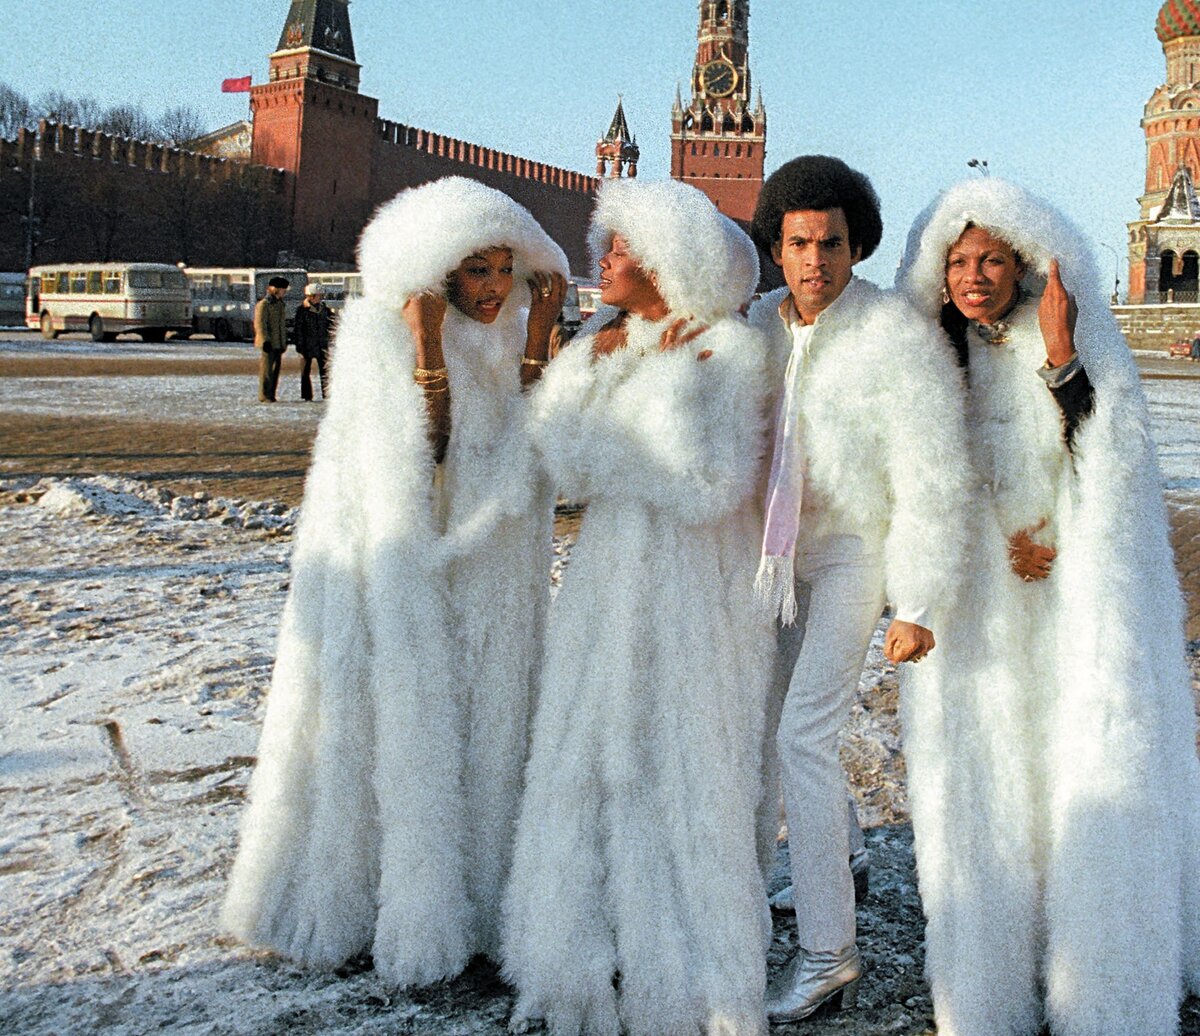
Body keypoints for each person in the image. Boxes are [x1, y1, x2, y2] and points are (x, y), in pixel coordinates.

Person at [222, 177, 569, 988]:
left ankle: (476, 905)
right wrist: (425, 351)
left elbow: (537, 457)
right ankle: (368, 900)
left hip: (484, 582)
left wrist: (539, 336)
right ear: (439, 271)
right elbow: (417, 465)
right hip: (401, 585)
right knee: (387, 735)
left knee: (480, 733)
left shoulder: (512, 331)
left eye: (501, 271)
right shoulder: (382, 338)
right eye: (475, 271)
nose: (492, 289)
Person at [896, 177, 1200, 1036]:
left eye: (992, 258)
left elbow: (1111, 463)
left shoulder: (1060, 339)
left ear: (1023, 265)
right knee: (994, 778)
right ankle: (999, 966)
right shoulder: (936, 352)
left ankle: (1095, 971)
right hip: (982, 606)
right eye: (959, 260)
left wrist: (1061, 355)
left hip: (1061, 598)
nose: (974, 274)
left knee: (1065, 768)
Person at [502, 178, 776, 1036]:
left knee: (681, 759)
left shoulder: (724, 352)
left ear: (667, 259)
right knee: (586, 754)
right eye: (607, 246)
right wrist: (605, 378)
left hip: (690, 590)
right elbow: (562, 461)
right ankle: (579, 944)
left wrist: (656, 401)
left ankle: (683, 958)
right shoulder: (600, 344)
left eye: (620, 247)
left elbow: (709, 487)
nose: (605, 261)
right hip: (605, 579)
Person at [744, 155, 972, 1024]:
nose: (815, 262)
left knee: (803, 735)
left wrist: (916, 602)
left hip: (851, 556)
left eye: (832, 243)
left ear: (858, 245)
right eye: (798, 243)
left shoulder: (890, 333)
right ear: (776, 246)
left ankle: (828, 956)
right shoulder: (762, 323)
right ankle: (840, 858)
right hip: (778, 556)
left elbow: (929, 471)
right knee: (774, 722)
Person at [294, 282, 333, 400]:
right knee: (305, 372)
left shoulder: (324, 310)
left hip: (322, 344)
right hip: (307, 346)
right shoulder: (302, 310)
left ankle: (327, 394)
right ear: (311, 296)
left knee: (325, 372)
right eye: (318, 295)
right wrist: (299, 345)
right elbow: (298, 330)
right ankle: (307, 396)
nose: (320, 297)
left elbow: (331, 324)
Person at [254, 276, 289, 402]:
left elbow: (281, 325)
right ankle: (264, 395)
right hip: (269, 343)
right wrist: (264, 341)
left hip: (278, 343)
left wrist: (283, 341)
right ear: (275, 289)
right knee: (267, 371)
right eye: (283, 289)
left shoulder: (279, 304)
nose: (284, 292)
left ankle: (271, 394)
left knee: (275, 371)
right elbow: (260, 324)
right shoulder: (264, 304)